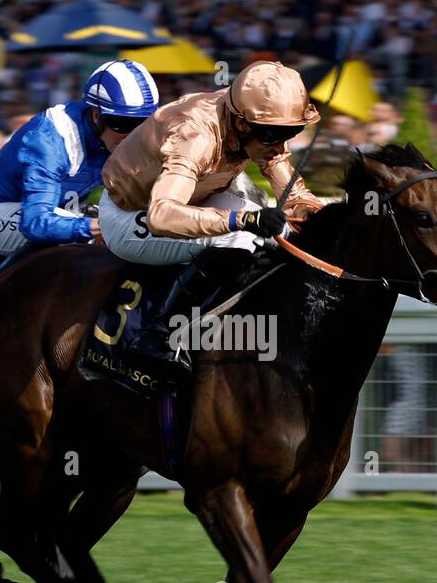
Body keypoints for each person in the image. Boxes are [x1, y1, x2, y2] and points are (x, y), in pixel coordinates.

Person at [98, 59, 323, 360]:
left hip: (194, 199)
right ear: (243, 125)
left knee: (278, 229)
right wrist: (241, 219)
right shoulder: (196, 135)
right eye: (273, 136)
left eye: (290, 134)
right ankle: (160, 335)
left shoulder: (251, 121)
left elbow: (290, 187)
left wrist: (311, 211)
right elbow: (161, 216)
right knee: (241, 236)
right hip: (131, 214)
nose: (280, 145)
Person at [0, 59, 161, 324]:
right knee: (72, 244)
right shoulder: (50, 140)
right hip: (7, 211)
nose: (132, 135)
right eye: (122, 124)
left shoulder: (122, 136)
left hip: (65, 205)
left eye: (143, 124)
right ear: (96, 116)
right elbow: (36, 223)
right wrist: (103, 226)